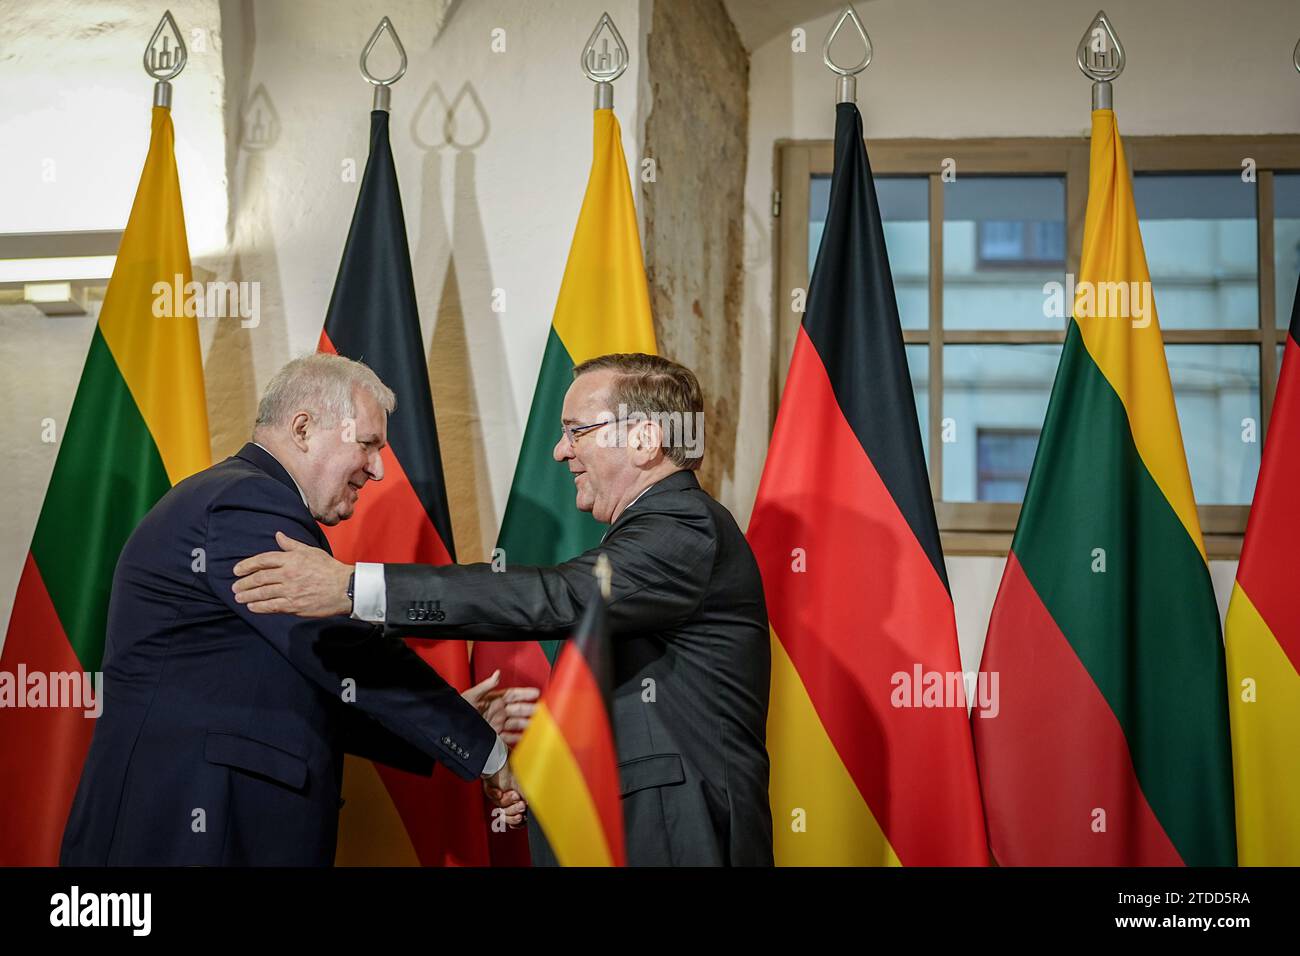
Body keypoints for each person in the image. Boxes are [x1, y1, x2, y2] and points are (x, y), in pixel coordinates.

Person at [233, 353, 774, 866]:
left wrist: (357, 587)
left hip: (678, 832)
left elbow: (561, 597)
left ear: (645, 439)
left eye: (576, 430)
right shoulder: (650, 534)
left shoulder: (685, 524)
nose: (561, 451)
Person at [61, 354, 533, 866]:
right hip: (189, 832)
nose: (377, 469)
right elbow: (344, 651)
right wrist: (484, 748)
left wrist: (445, 723)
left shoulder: (232, 497)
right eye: (369, 444)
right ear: (304, 428)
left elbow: (309, 684)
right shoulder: (246, 502)